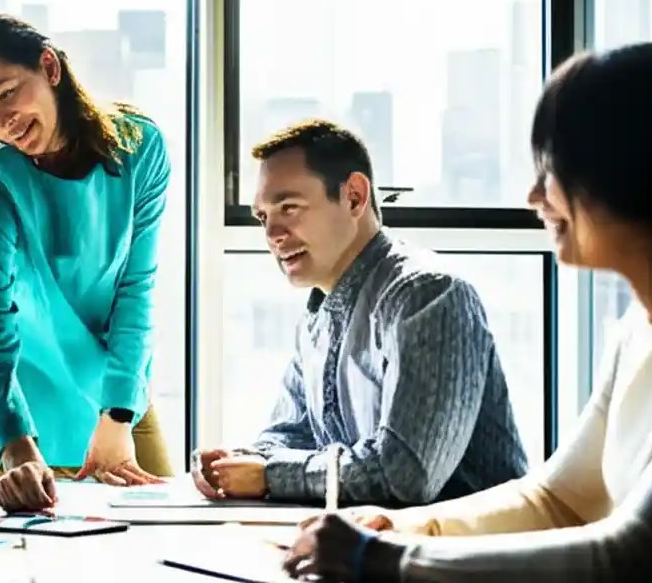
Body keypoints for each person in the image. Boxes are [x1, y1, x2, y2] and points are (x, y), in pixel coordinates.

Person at [283, 43, 652, 582]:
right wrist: (404, 527)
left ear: (629, 172)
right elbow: (558, 499)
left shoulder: (428, 293)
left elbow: (638, 557)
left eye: (551, 171)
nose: (533, 196)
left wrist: (379, 559)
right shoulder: (634, 331)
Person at [192, 120, 527, 507]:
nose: (272, 234)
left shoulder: (428, 295)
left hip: (461, 542)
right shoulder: (317, 316)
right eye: (263, 217)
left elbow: (405, 476)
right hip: (369, 538)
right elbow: (291, 434)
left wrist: (269, 475)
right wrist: (240, 462)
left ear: (354, 197)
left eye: (289, 208)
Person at [0, 14, 172, 512]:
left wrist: (118, 414)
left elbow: (136, 290)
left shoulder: (142, 147)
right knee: (21, 543)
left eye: (7, 94)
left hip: (115, 385)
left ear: (50, 67)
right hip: (11, 404)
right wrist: (17, 450)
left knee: (159, 520)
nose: (2, 123)